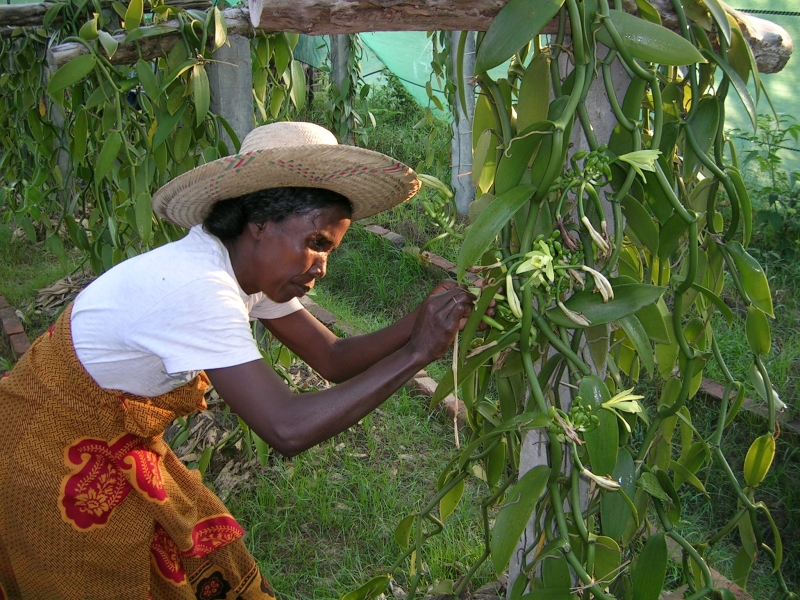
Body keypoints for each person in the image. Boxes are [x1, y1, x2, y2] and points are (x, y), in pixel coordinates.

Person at [0, 122, 475, 599]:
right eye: (316, 243)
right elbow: (287, 427)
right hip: (42, 457)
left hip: (107, 445)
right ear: (259, 225)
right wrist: (418, 352)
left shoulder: (243, 272)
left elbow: (332, 357)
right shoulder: (199, 288)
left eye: (330, 249)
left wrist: (423, 320)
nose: (322, 267)